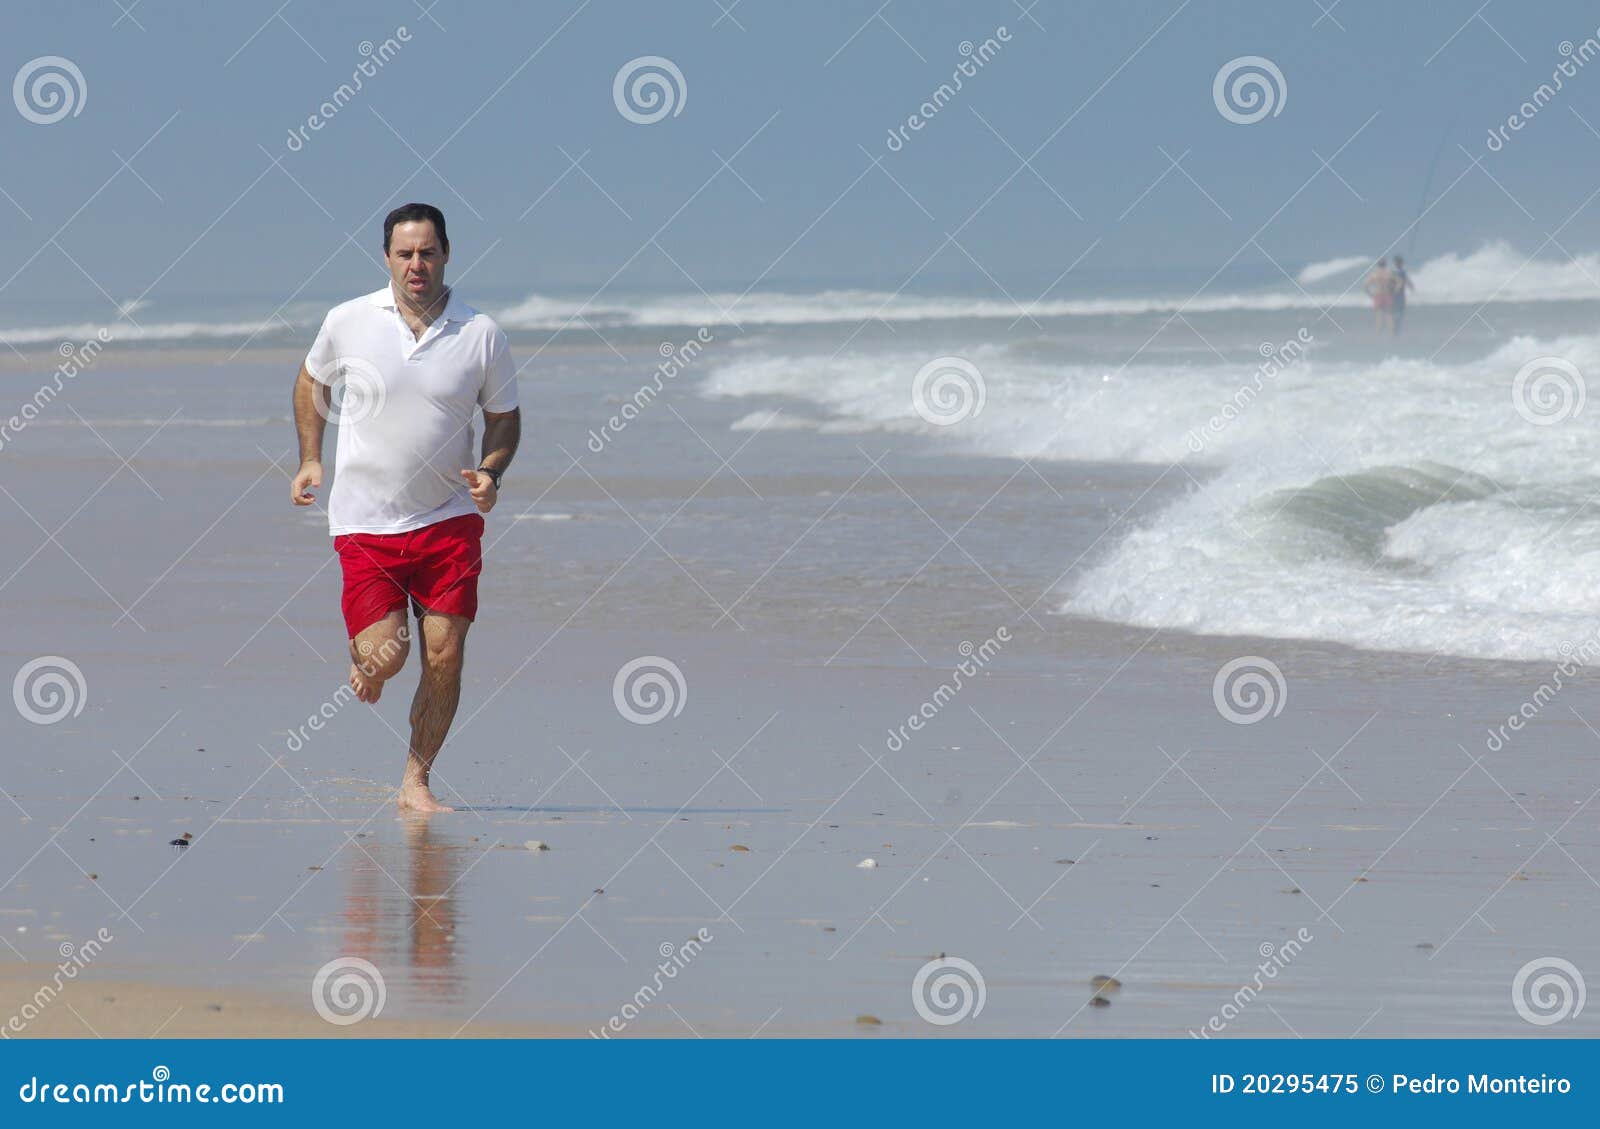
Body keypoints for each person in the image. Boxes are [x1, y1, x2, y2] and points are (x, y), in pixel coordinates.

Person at [290, 203, 521, 813]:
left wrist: (492, 474)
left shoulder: (481, 332)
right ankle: (365, 655)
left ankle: (415, 780)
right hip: (366, 524)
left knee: (444, 653)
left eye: (427, 252)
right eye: (404, 253)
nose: (416, 264)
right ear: (387, 257)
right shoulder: (349, 321)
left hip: (448, 520)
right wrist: (311, 456)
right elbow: (313, 382)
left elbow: (503, 419)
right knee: (384, 662)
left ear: (447, 253)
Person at [1364, 257, 1394, 334]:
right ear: (1385, 265)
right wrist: (1394, 291)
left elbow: (1366, 286)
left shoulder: (1374, 274)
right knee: (1389, 315)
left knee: (1379, 316)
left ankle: (1378, 333)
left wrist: (1370, 294)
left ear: (1378, 265)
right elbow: (1399, 282)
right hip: (1387, 294)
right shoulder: (1389, 273)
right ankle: (1391, 333)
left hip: (1378, 295)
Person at [1390, 254, 1415, 334]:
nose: (1400, 263)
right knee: (1397, 312)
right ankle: (1395, 328)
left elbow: (1407, 281)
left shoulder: (1400, 272)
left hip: (1399, 295)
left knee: (1399, 312)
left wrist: (1411, 286)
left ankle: (1396, 328)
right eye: (1399, 262)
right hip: (1396, 295)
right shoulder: (1395, 272)